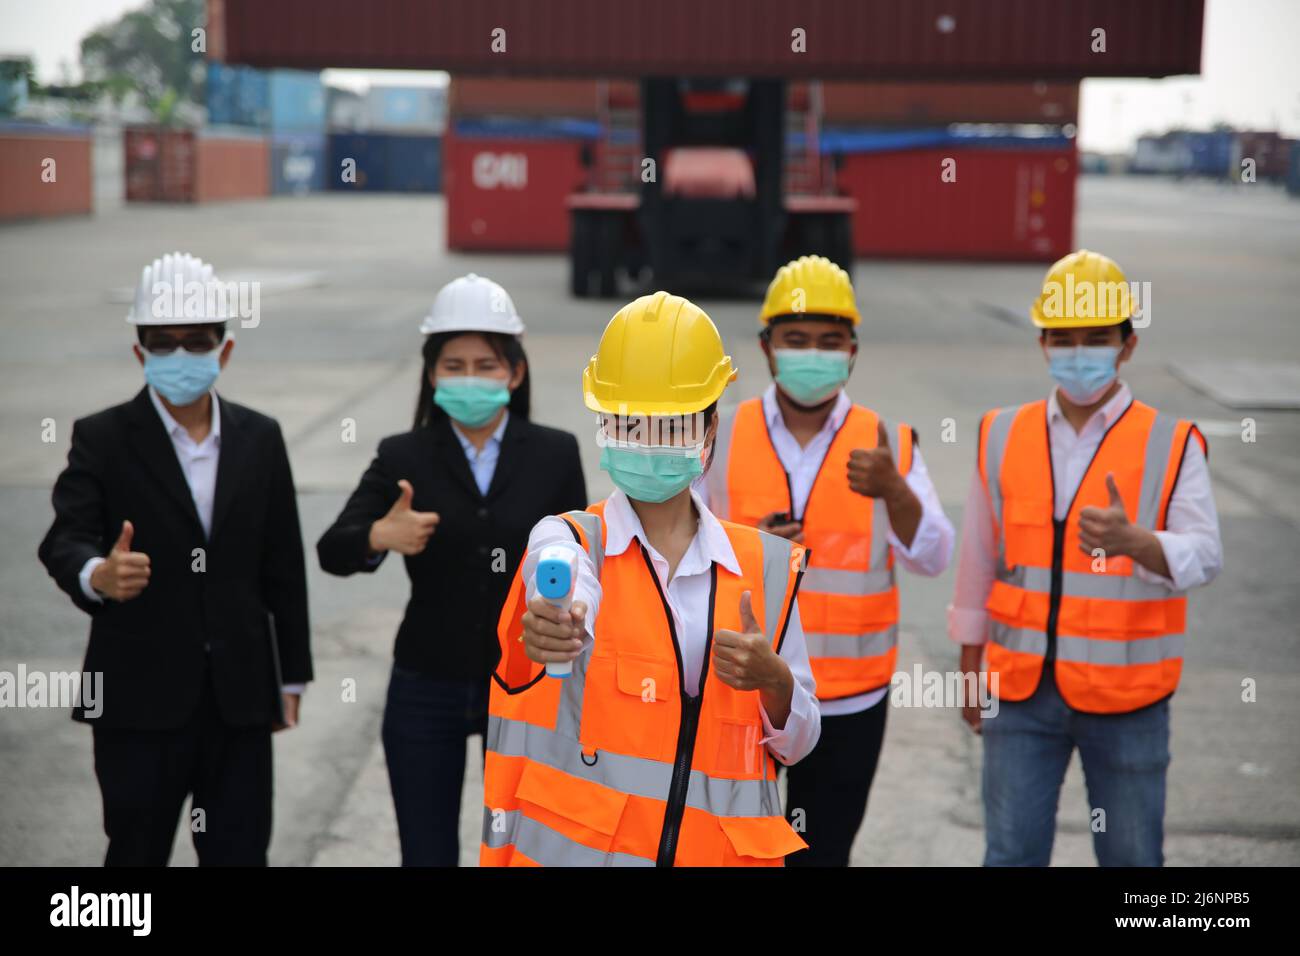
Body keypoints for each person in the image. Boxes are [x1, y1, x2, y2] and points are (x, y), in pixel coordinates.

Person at [482, 290, 820, 867]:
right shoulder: (569, 540)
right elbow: (559, 583)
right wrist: (554, 620)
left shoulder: (761, 566)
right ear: (606, 424)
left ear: (710, 427)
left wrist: (776, 683)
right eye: (632, 423)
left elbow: (798, 742)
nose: (649, 441)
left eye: (671, 423)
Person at [950, 249, 1223, 866]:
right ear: (1043, 342)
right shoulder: (1001, 432)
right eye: (1065, 338)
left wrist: (1139, 543)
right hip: (1018, 690)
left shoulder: (1171, 442)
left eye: (1097, 338)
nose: (1079, 353)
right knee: (1011, 855)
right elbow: (977, 561)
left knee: (1131, 862)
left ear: (1127, 345)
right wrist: (970, 664)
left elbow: (1206, 554)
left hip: (1128, 697)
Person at [38, 252, 312, 866]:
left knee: (239, 854)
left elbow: (283, 566)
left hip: (239, 701)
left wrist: (290, 678)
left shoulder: (260, 437)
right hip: (138, 702)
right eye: (164, 344)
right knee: (135, 856)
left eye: (197, 342)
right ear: (140, 354)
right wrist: (97, 575)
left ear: (225, 350)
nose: (181, 357)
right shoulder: (103, 438)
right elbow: (65, 538)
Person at [317, 273, 586, 867]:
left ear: (514, 373)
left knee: (522, 852)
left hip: (524, 681)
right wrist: (378, 537)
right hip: (426, 680)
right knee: (426, 852)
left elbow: (579, 557)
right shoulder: (401, 456)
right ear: (431, 375)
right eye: (454, 365)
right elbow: (331, 549)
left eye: (486, 365)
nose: (471, 378)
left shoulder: (555, 452)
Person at [702, 254, 954, 866]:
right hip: (746, 689)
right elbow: (681, 542)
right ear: (766, 347)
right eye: (796, 340)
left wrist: (896, 491)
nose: (812, 353)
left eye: (828, 341)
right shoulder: (723, 434)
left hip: (849, 700)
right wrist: (746, 538)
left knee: (822, 854)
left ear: (852, 351)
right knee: (732, 852)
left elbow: (934, 556)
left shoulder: (887, 440)